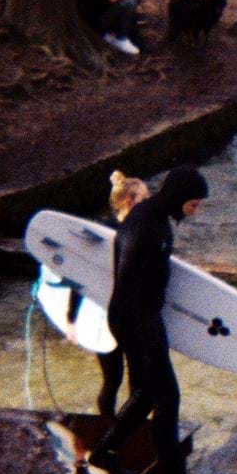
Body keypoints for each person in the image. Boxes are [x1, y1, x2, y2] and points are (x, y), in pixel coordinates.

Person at [90, 165, 214, 474]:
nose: (195, 210)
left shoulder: (155, 217)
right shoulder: (146, 226)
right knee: (167, 398)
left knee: (147, 396)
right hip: (135, 321)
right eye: (194, 203)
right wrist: (136, 340)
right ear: (178, 197)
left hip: (145, 318)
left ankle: (103, 452)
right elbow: (126, 286)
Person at [91, 171, 150, 420]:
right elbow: (85, 275)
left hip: (128, 316)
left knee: (133, 381)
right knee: (113, 379)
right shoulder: (106, 233)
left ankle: (124, 429)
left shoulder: (144, 230)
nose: (149, 204)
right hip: (108, 315)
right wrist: (72, 320)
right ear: (129, 201)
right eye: (144, 199)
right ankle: (108, 426)